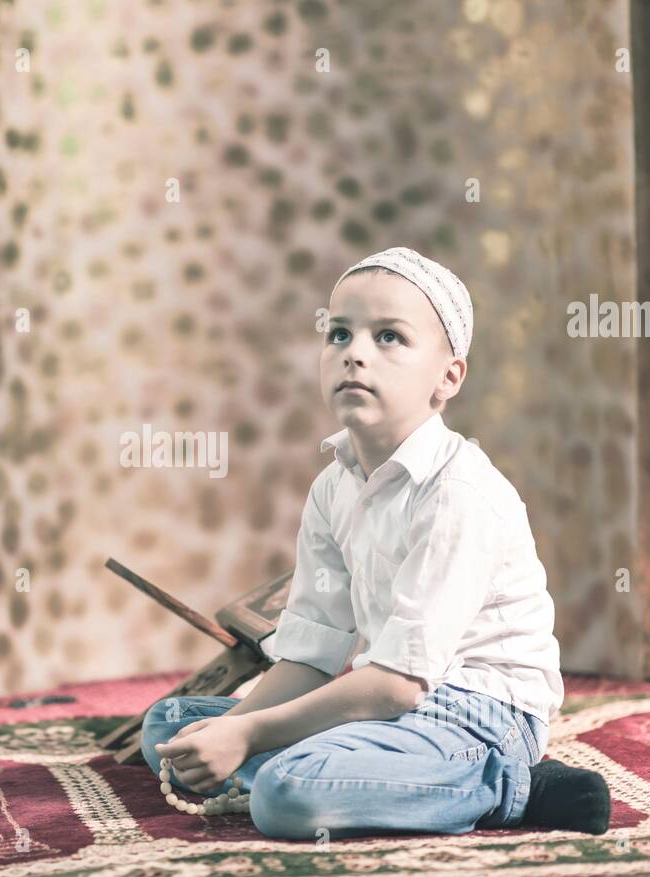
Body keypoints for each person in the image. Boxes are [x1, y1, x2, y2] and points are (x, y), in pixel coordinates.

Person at [143, 246, 611, 839]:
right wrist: (228, 730)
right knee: (170, 726)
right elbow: (311, 657)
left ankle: (509, 785)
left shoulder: (458, 492)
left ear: (448, 378)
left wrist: (251, 735)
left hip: (476, 713)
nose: (355, 353)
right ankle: (361, 776)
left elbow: (397, 683)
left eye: (389, 337)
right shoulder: (333, 487)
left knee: (289, 796)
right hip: (389, 700)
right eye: (339, 333)